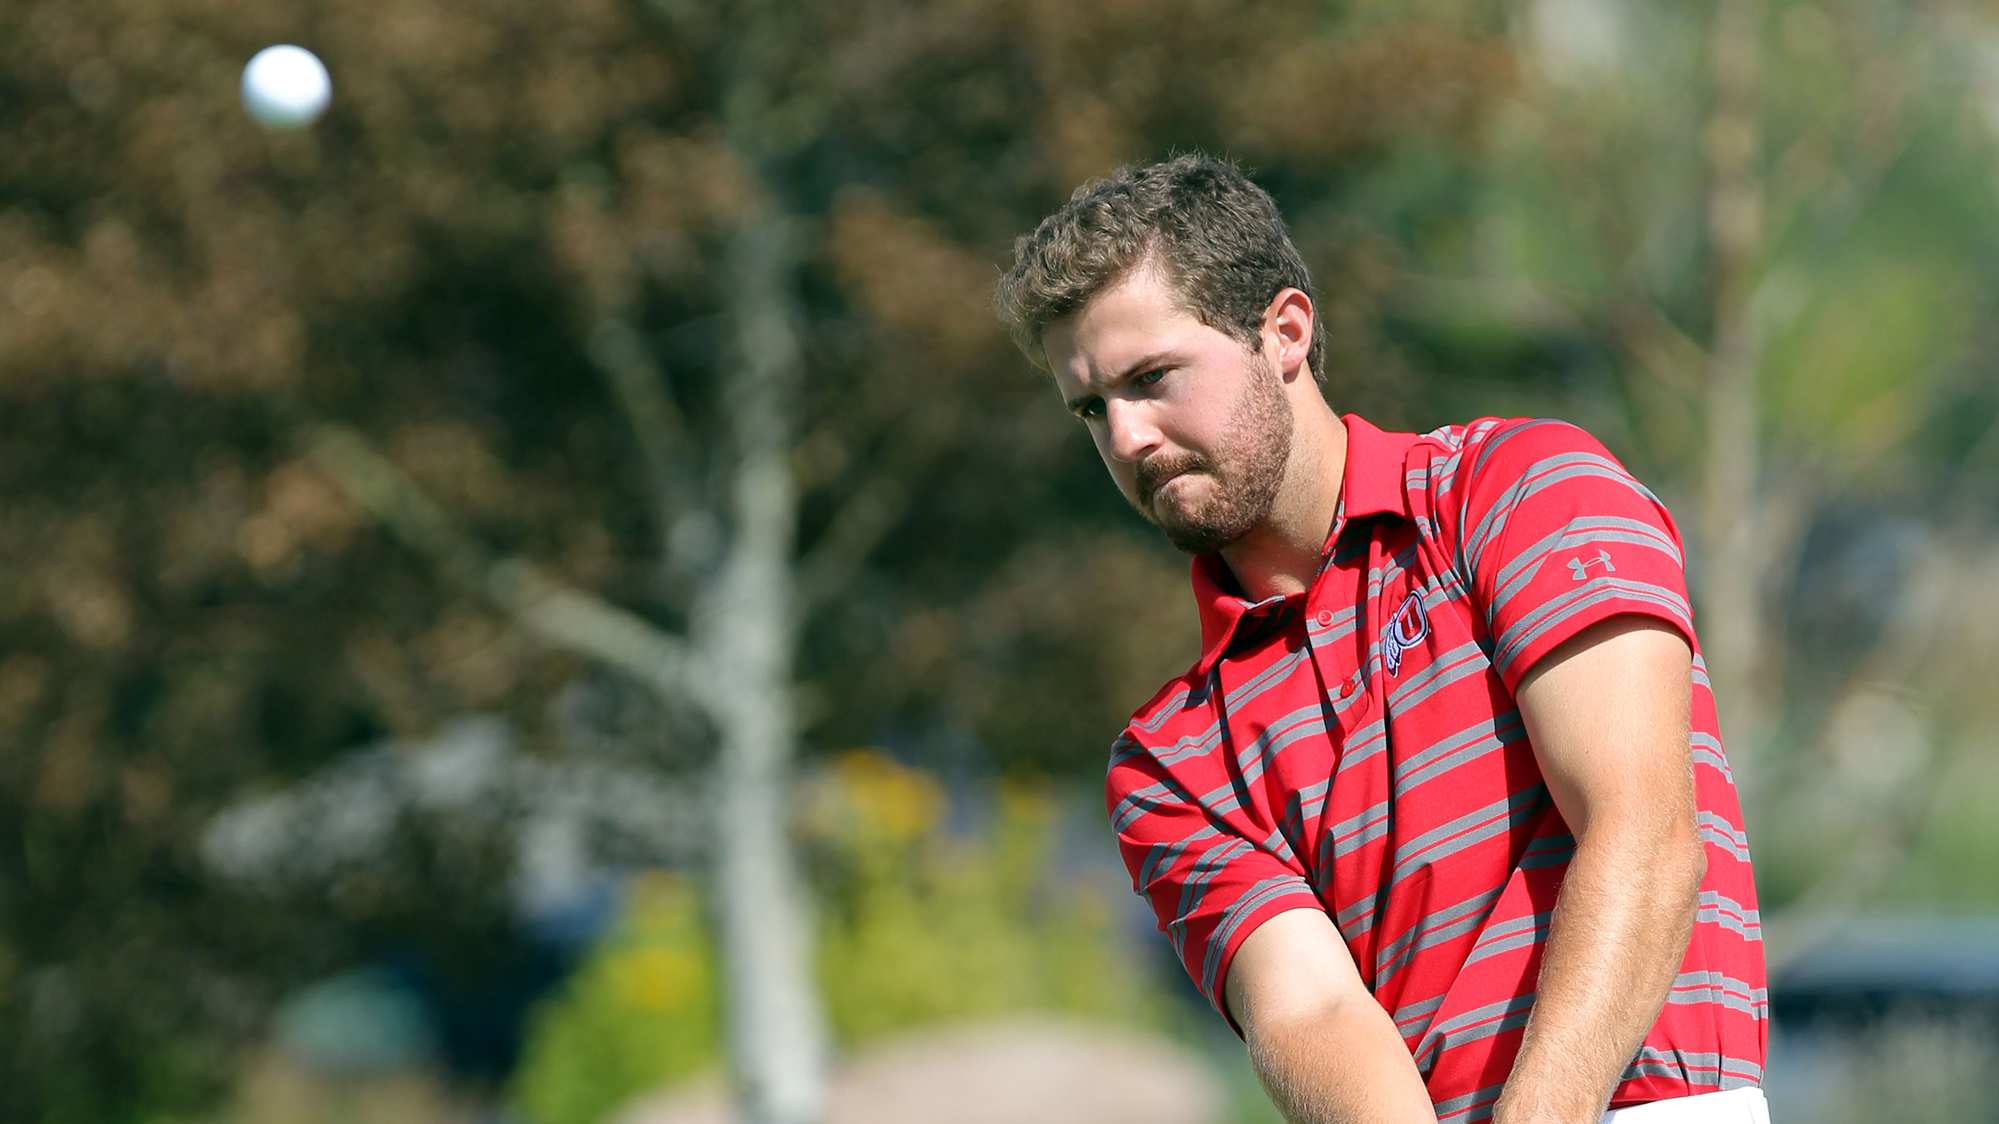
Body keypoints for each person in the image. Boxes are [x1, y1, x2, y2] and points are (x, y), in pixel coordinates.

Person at [992, 155, 1767, 1124]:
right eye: (1091, 407)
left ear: (1284, 331)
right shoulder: (1166, 760)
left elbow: (1643, 835)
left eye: (1152, 378)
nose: (1127, 437)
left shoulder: (1519, 490)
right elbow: (1310, 1010)